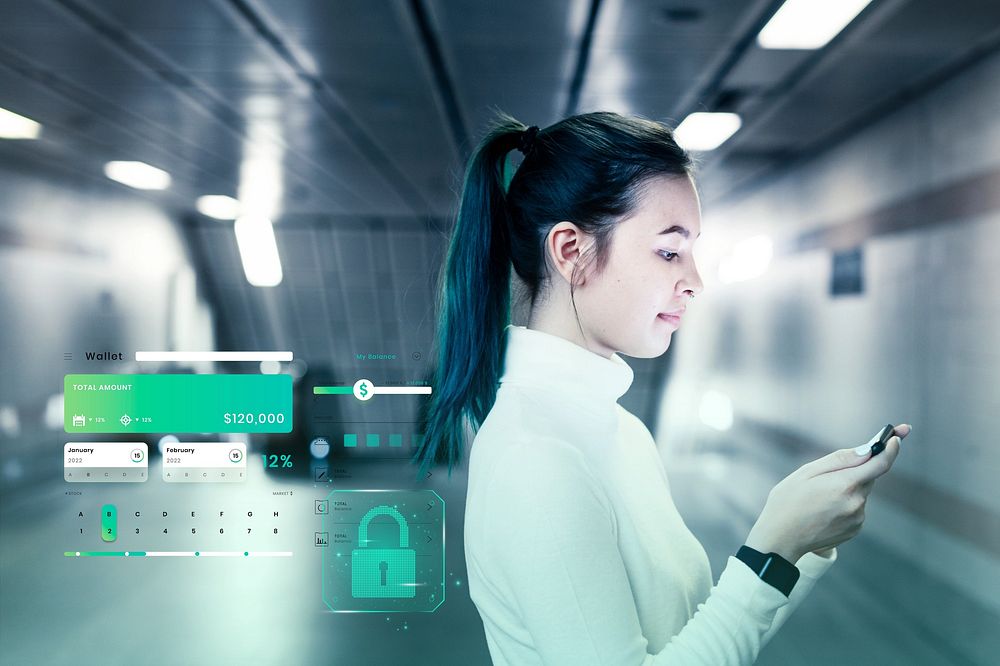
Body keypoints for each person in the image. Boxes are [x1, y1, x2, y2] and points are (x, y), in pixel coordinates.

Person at [413, 111, 911, 665]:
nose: (695, 281)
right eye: (670, 251)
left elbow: (698, 642)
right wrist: (774, 545)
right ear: (570, 251)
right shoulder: (536, 455)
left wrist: (803, 541)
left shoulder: (619, 431)